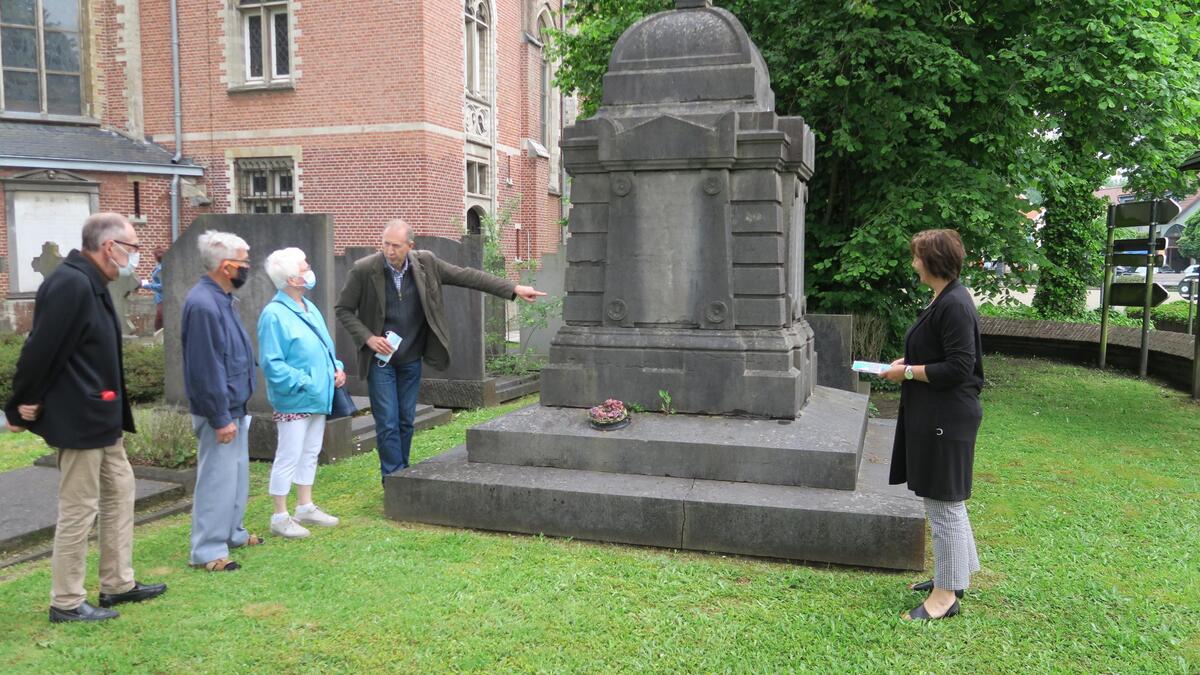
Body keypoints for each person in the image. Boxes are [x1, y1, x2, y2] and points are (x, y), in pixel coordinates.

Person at [5, 212, 166, 623]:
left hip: (102, 415)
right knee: (80, 506)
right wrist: (20, 403)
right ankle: (66, 601)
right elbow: (40, 349)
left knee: (120, 492)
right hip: (80, 416)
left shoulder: (92, 282)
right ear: (109, 247)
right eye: (132, 247)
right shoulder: (71, 283)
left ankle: (117, 583)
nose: (135, 256)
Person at [336, 218, 545, 480]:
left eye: (396, 246)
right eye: (385, 244)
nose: (389, 251)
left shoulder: (426, 263)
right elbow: (343, 309)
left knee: (405, 420)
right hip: (380, 361)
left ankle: (402, 474)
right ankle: (393, 479)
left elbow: (468, 276)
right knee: (387, 422)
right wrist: (368, 337)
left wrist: (513, 288)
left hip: (411, 357)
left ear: (410, 246)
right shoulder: (364, 269)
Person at [883, 228, 985, 621]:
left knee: (944, 502)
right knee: (946, 500)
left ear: (932, 261)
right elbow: (938, 352)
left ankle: (946, 597)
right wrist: (907, 364)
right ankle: (954, 575)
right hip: (938, 413)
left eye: (917, 257)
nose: (913, 264)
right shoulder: (944, 298)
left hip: (948, 415)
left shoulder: (954, 304)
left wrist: (908, 373)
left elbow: (960, 367)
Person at [181, 231, 262, 571]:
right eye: (243, 262)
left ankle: (232, 532)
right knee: (217, 479)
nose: (247, 267)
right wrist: (219, 416)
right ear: (226, 267)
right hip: (220, 409)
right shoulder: (203, 305)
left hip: (234, 404)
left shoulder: (222, 299)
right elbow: (205, 367)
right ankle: (208, 549)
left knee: (235, 476)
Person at [257, 247, 345, 539]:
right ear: (292, 279)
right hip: (295, 397)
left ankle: (305, 506)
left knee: (310, 452)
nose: (310, 271)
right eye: (305, 267)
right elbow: (272, 363)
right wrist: (305, 381)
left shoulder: (309, 306)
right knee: (289, 455)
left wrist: (337, 368)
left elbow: (324, 346)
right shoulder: (274, 315)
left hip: (319, 394)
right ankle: (279, 515)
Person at [141, 247, 166, 332]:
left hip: (162, 299)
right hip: (159, 299)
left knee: (159, 322)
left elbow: (163, 286)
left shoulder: (161, 269)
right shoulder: (160, 267)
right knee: (159, 322)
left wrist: (148, 285)